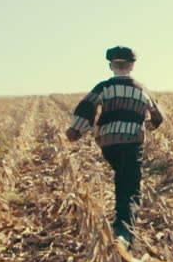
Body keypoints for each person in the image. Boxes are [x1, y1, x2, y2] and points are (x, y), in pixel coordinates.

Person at [65, 46, 164, 250]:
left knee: (121, 178)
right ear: (132, 65)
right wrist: (148, 125)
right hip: (132, 142)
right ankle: (124, 235)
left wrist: (76, 131)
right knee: (130, 188)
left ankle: (121, 225)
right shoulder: (141, 89)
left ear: (111, 66)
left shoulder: (103, 87)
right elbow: (157, 116)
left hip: (109, 144)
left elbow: (87, 107)